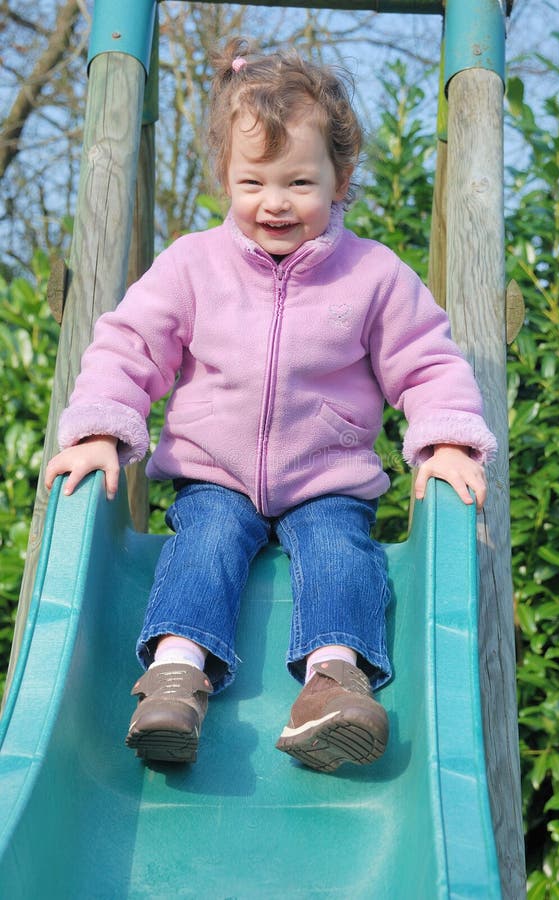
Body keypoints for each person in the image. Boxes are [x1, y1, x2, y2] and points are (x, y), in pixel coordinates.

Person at [45, 38, 496, 772]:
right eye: (253, 181)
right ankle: (175, 677)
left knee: (341, 556)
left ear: (340, 179)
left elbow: (428, 360)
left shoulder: (374, 276)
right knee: (205, 546)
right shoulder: (193, 265)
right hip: (214, 474)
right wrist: (101, 429)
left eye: (299, 182)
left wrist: (446, 440)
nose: (274, 202)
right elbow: (130, 345)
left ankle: (334, 684)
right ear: (226, 175)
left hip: (327, 482)